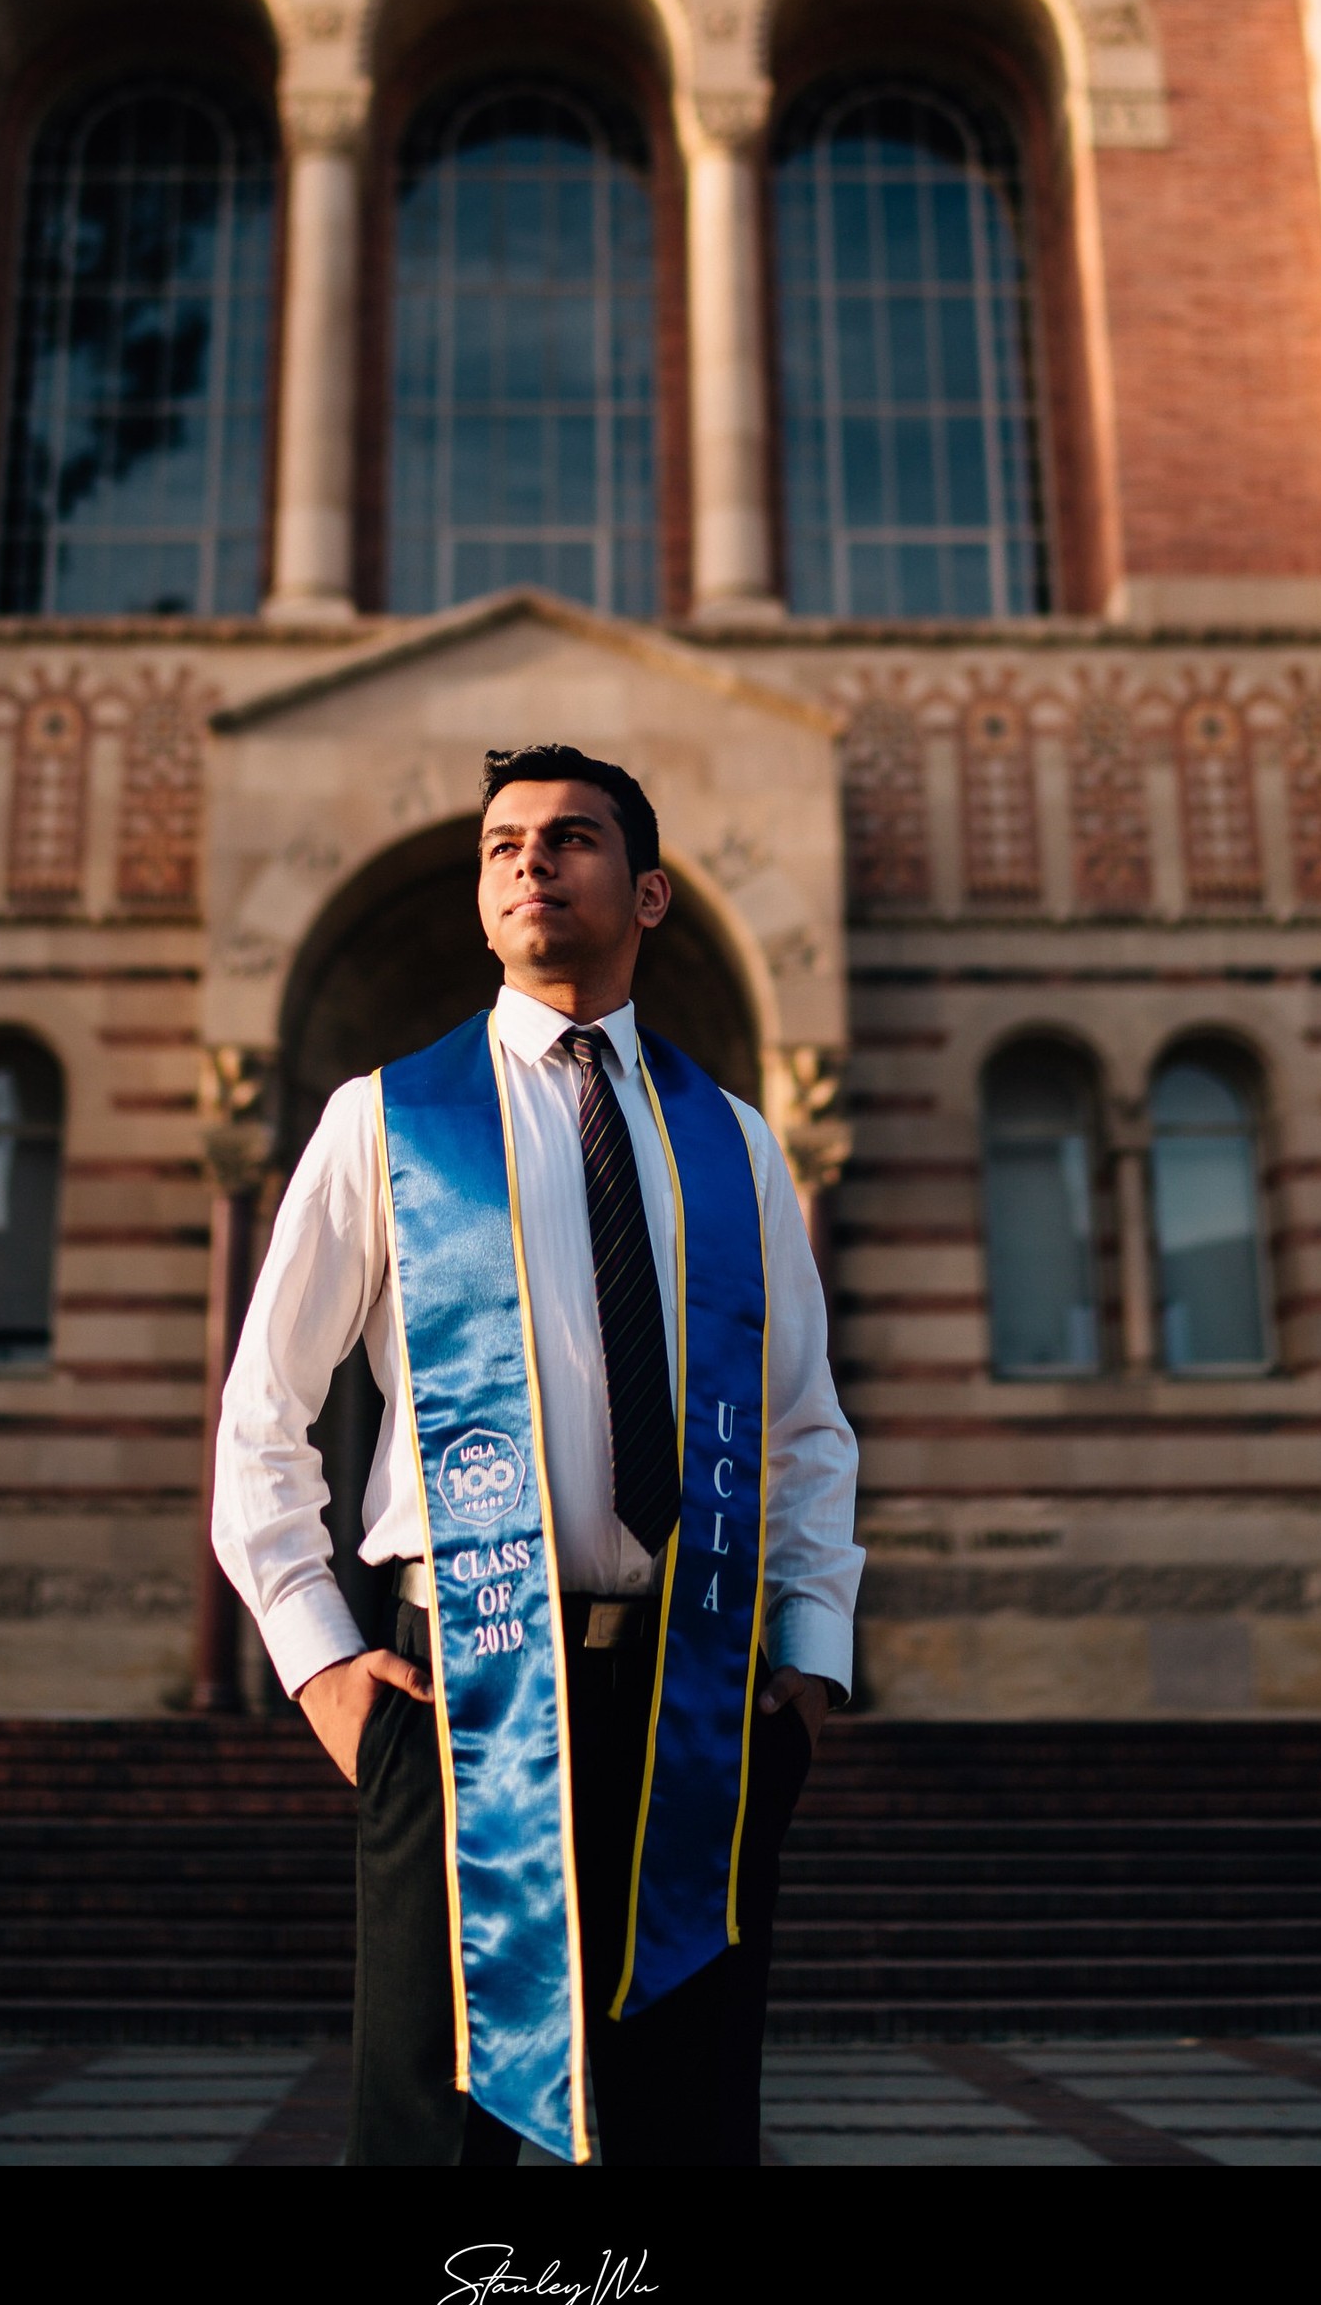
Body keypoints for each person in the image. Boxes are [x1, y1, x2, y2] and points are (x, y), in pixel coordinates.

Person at [212, 744, 861, 2166]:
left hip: (695, 1693)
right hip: (457, 1692)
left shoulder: (734, 1142)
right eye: (502, 844)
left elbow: (805, 1420)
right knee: (441, 2128)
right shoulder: (383, 1122)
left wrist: (808, 1665)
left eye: (568, 839)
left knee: (683, 2116)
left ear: (646, 895)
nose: (527, 862)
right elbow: (263, 1413)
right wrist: (320, 1660)